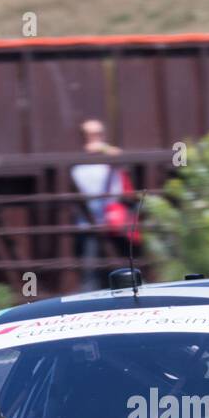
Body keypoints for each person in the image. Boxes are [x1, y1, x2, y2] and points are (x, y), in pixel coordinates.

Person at [70, 119, 130, 292]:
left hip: (113, 221)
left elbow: (123, 160)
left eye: (98, 133)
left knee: (121, 265)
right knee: (90, 269)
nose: (94, 138)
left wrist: (104, 149)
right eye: (90, 134)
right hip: (88, 223)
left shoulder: (109, 157)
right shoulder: (79, 162)